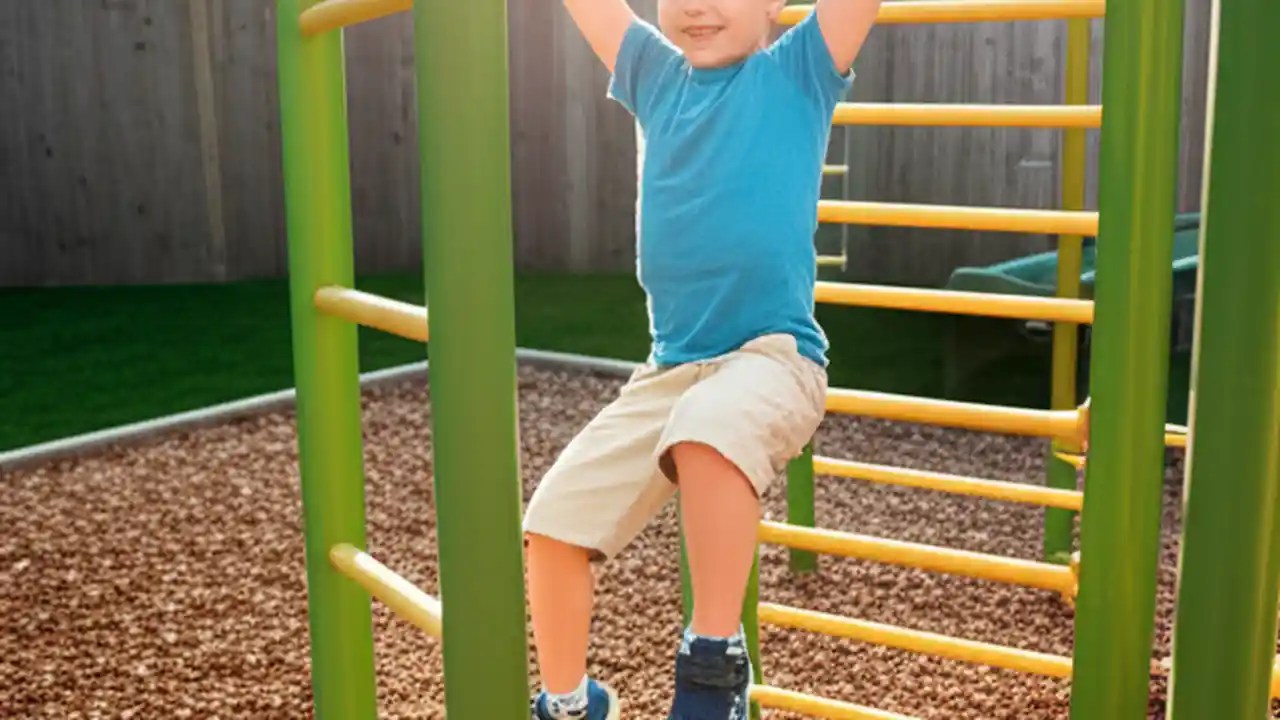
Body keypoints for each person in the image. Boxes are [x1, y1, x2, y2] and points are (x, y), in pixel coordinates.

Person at [522, 0, 880, 717]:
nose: (695, 6)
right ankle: (568, 703)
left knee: (707, 430)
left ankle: (714, 666)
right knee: (553, 523)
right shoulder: (656, 73)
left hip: (775, 356)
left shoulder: (797, 71)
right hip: (671, 368)